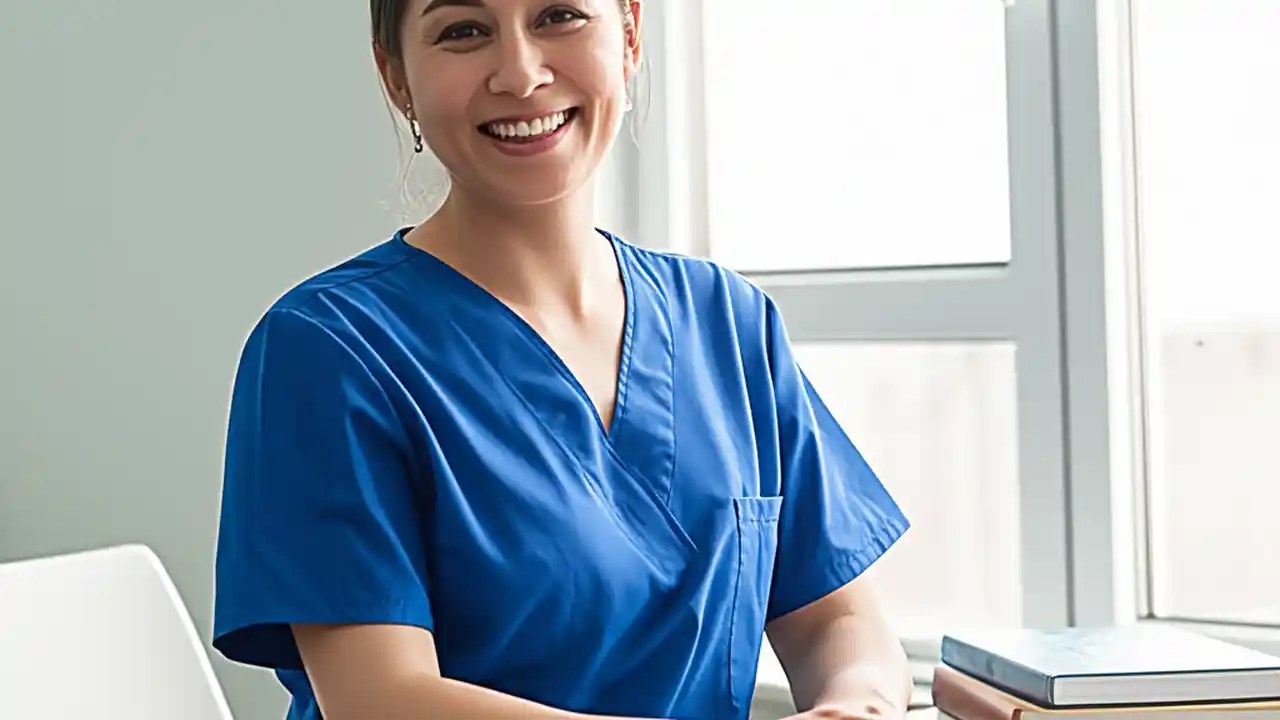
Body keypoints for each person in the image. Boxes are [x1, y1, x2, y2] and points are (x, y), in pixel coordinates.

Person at [212, 1, 913, 718]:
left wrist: (856, 704)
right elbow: (382, 701)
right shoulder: (327, 349)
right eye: (464, 31)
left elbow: (837, 621)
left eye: (559, 15)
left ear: (631, 34)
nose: (520, 73)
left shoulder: (728, 325)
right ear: (396, 77)